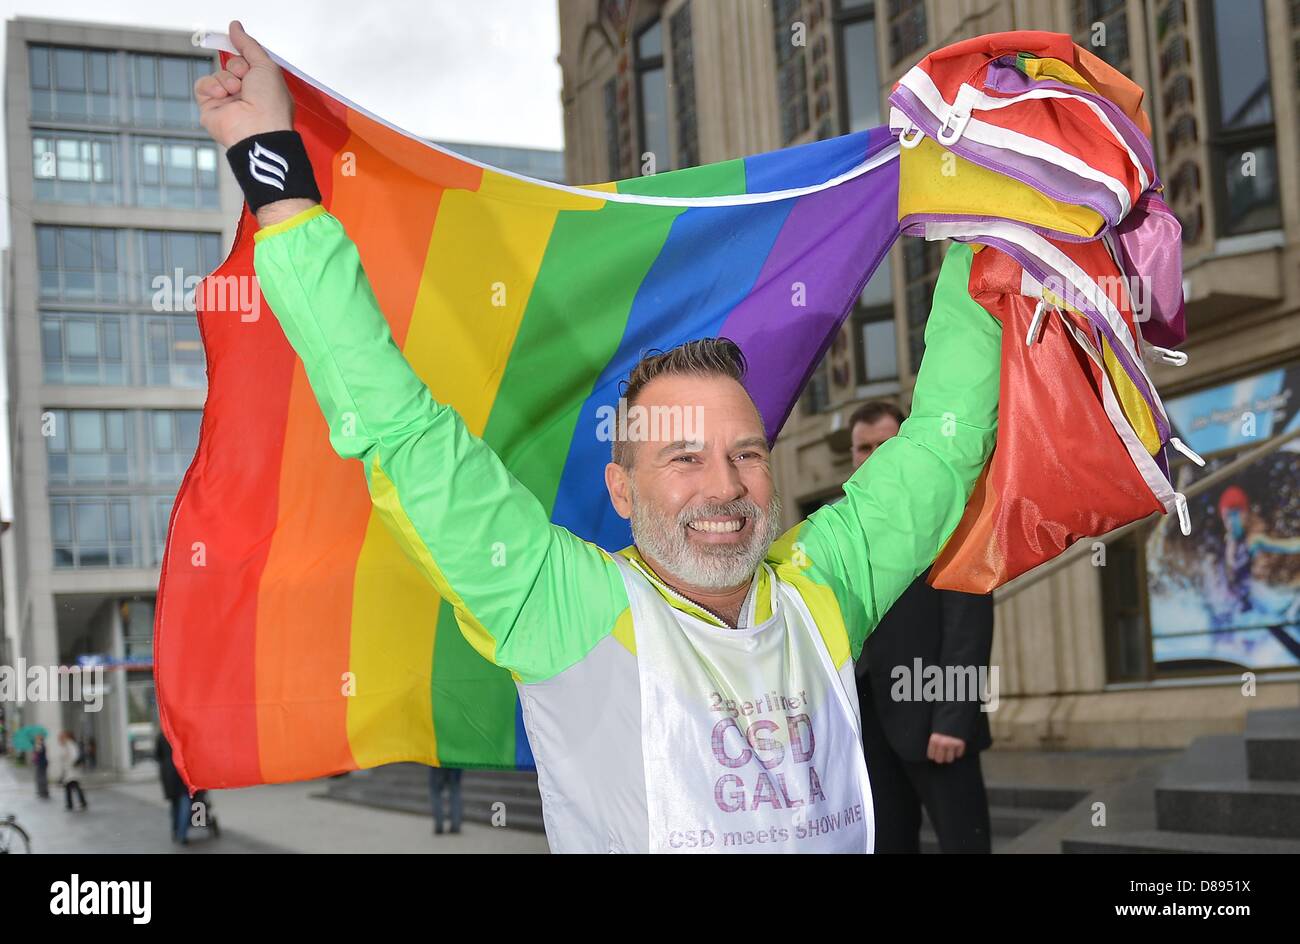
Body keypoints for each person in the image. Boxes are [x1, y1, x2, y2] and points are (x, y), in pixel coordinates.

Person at [193, 21, 1001, 853]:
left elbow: (944, 440)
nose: (723, 487)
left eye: (745, 453)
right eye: (683, 457)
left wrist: (987, 217)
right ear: (622, 490)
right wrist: (271, 166)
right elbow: (401, 429)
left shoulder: (825, 585)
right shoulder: (560, 605)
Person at [849, 401, 995, 853]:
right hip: (868, 727)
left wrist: (953, 719)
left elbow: (967, 619)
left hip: (935, 719)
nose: (873, 456)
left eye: (884, 444)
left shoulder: (951, 512)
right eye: (862, 448)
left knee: (964, 845)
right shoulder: (843, 524)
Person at [156, 734, 192, 844]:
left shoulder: (162, 735)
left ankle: (176, 830)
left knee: (175, 804)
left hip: (168, 774)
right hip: (182, 771)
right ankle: (182, 834)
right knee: (184, 803)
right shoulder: (183, 734)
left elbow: (158, 756)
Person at [53, 730, 87, 812]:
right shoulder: (64, 745)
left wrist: (70, 763)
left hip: (72, 770)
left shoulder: (70, 744)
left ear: (65, 737)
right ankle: (71, 804)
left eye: (61, 737)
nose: (59, 739)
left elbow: (74, 756)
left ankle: (78, 803)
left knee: (74, 786)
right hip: (67, 770)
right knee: (69, 787)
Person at [429, 766, 463, 835]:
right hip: (455, 761)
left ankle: (439, 825)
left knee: (436, 792)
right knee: (455, 792)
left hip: (438, 761)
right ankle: (455, 825)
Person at [32, 734, 50, 800]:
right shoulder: (41, 745)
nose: (36, 740)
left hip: (41, 763)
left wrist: (36, 748)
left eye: (37, 739)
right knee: (41, 777)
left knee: (41, 778)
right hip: (41, 763)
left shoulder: (40, 745)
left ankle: (43, 792)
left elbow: (38, 752)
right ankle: (42, 791)